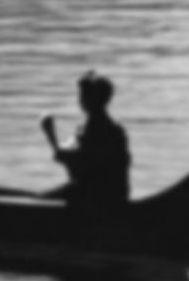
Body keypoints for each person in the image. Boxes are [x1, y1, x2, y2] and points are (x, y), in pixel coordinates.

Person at [43, 71, 132, 208]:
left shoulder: (101, 129)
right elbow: (67, 153)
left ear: (95, 98)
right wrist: (51, 136)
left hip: (97, 200)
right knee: (41, 197)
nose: (80, 99)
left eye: (84, 95)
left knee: (41, 199)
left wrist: (50, 134)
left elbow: (80, 162)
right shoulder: (97, 127)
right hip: (104, 196)